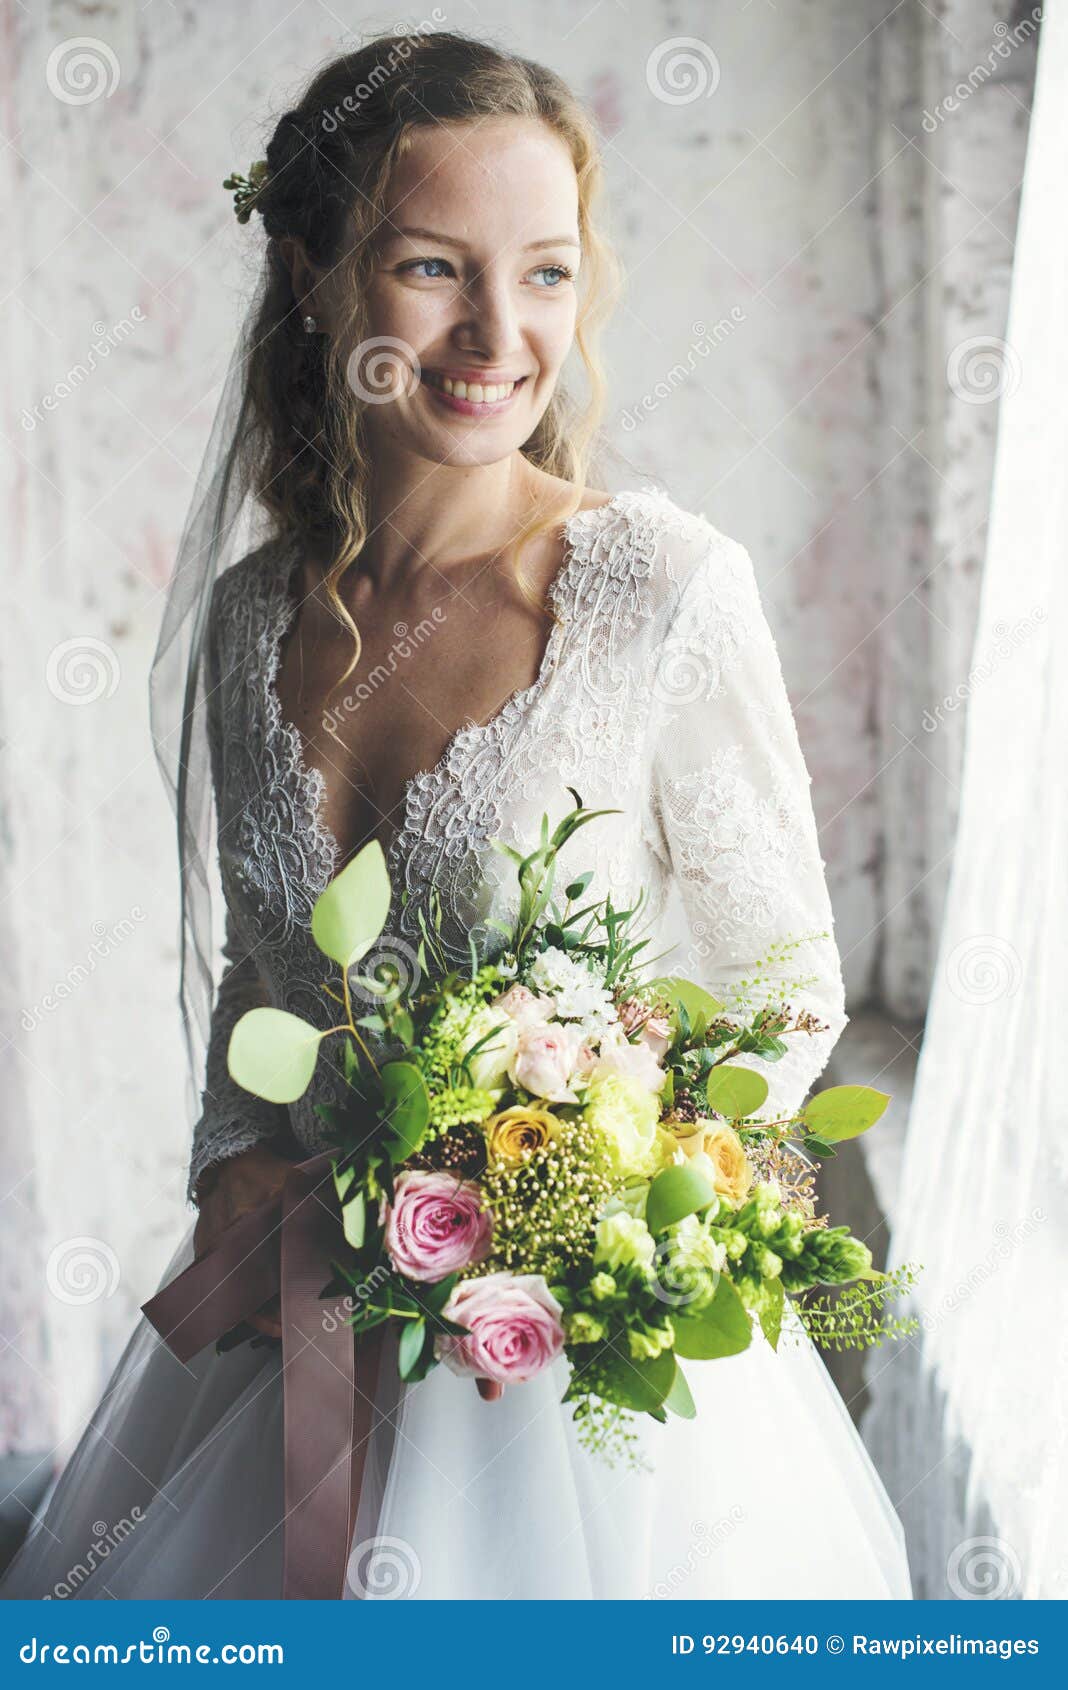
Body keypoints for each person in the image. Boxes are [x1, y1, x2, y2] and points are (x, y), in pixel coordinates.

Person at [0, 31, 912, 1601]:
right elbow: (259, 974)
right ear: (314, 277)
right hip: (294, 1335)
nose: (501, 332)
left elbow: (787, 988)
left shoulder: (659, 592)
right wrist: (235, 1155)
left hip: (563, 1370)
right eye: (436, 267)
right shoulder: (245, 623)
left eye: (546, 273)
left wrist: (568, 1184)